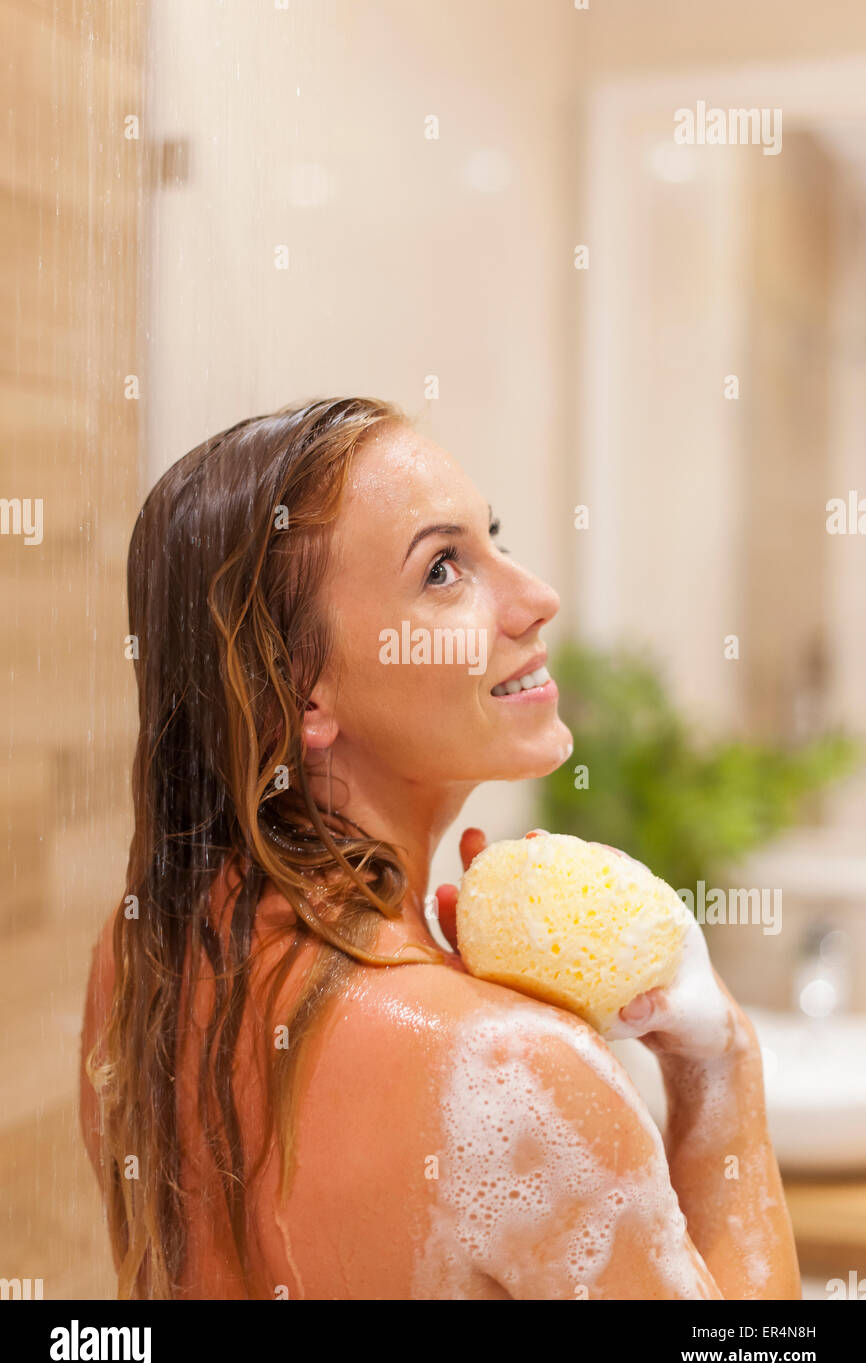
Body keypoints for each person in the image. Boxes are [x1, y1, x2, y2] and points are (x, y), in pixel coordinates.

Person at [79, 396, 800, 1300]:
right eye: (445, 570)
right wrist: (719, 1064)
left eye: (491, 539)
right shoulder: (518, 1072)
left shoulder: (143, 962)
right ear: (299, 694)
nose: (537, 601)